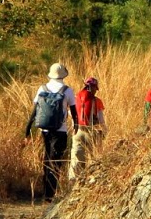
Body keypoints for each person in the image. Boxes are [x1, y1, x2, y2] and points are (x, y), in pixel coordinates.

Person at [24, 63, 77, 200]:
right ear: (63, 75)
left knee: (47, 158)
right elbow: (74, 112)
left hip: (45, 129)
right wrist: (76, 126)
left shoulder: (42, 88)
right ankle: (51, 194)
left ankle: (46, 192)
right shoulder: (67, 90)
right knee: (56, 160)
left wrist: (28, 129)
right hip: (61, 130)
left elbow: (35, 110)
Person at [67, 75, 106, 179]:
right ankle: (93, 180)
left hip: (77, 132)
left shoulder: (75, 99)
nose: (95, 91)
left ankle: (73, 182)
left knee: (76, 159)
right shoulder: (97, 101)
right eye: (95, 89)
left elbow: (71, 114)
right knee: (95, 158)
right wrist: (104, 132)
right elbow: (101, 119)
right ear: (93, 87)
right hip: (91, 131)